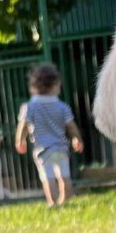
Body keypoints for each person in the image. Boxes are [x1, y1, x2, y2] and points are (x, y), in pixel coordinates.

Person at [15, 63, 84, 206]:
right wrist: (77, 139)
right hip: (61, 148)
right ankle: (65, 200)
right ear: (55, 85)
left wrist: (20, 141)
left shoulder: (29, 107)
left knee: (48, 178)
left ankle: (52, 202)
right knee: (64, 176)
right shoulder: (62, 106)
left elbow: (23, 126)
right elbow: (71, 126)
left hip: (42, 149)